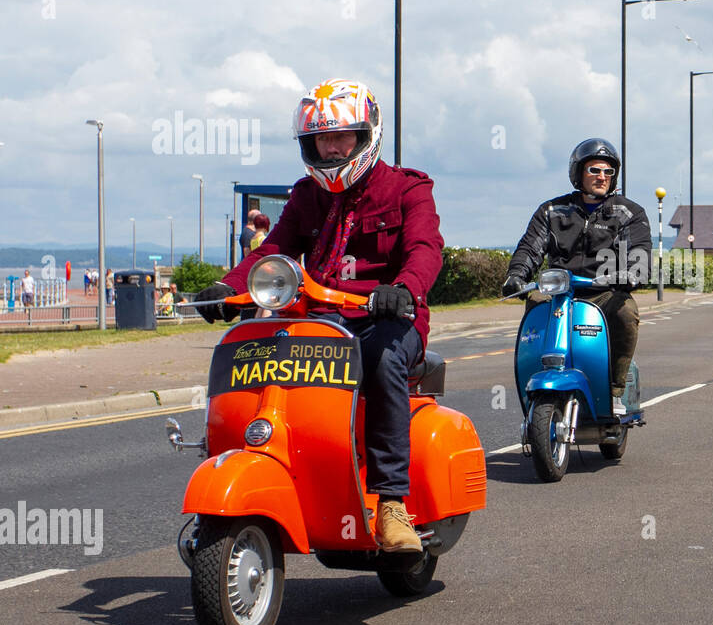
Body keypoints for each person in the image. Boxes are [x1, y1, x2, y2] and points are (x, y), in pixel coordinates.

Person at [194, 78, 443, 554]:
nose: (330, 148)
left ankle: (392, 504)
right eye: (321, 139)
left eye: (340, 137)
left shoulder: (407, 188)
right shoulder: (307, 195)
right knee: (255, 350)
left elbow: (425, 248)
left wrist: (403, 290)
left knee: (381, 360)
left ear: (366, 135)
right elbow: (275, 250)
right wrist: (229, 287)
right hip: (321, 317)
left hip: (387, 318)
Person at [501, 138, 651, 414]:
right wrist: (516, 274)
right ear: (578, 173)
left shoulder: (629, 212)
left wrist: (632, 273)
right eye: (595, 170)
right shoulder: (552, 211)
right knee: (534, 302)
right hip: (559, 291)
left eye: (608, 172)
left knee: (626, 313)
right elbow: (530, 247)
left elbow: (639, 248)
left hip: (604, 289)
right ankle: (535, 383)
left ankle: (615, 390)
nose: (602, 177)